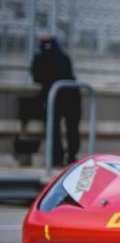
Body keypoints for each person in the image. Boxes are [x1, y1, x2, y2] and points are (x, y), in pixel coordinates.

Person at [30, 34, 81, 166]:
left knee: (54, 129)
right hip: (70, 95)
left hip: (55, 96)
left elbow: (37, 78)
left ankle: (58, 158)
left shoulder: (40, 58)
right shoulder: (64, 57)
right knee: (71, 129)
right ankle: (71, 156)